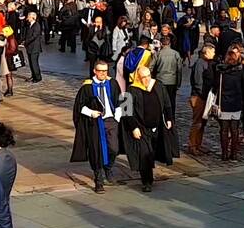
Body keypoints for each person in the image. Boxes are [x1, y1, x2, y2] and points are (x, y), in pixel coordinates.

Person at [122, 66, 177, 192]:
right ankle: (146, 181)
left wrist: (169, 118)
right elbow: (126, 111)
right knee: (144, 154)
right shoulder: (130, 89)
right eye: (143, 77)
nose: (146, 80)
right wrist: (134, 127)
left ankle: (149, 175)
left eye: (148, 76)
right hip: (141, 127)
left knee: (152, 153)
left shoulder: (158, 85)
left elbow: (167, 103)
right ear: (138, 77)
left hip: (157, 127)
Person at [71, 61, 122, 193]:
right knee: (96, 151)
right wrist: (91, 112)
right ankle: (98, 180)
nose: (103, 74)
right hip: (95, 123)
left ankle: (108, 168)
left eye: (105, 71)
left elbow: (120, 100)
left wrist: (117, 117)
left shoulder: (112, 83)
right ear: (94, 71)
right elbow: (79, 106)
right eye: (100, 71)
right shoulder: (87, 87)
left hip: (111, 121)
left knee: (114, 148)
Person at [212, 45, 244, 161]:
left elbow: (215, 87)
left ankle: (224, 153)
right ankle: (234, 153)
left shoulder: (220, 72)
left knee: (224, 130)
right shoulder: (239, 73)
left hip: (224, 103)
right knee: (234, 130)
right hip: (236, 103)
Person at [187, 43, 216, 156]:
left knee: (202, 122)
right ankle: (192, 145)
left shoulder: (208, 63)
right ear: (206, 52)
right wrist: (203, 95)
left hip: (205, 96)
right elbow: (198, 81)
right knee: (197, 122)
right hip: (199, 96)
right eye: (212, 51)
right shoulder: (200, 63)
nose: (214, 53)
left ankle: (198, 144)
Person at [151, 34, 182, 113]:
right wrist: (178, 83)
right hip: (172, 81)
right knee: (171, 101)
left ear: (161, 44)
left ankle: (162, 117)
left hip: (160, 80)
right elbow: (179, 70)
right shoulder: (176, 54)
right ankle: (171, 118)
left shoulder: (158, 54)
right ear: (170, 43)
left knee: (161, 101)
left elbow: (151, 67)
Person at [22, 11, 43, 83]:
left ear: (33, 18)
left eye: (29, 17)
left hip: (34, 47)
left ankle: (37, 77)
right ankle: (33, 75)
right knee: (31, 63)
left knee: (34, 63)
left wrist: (26, 41)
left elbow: (34, 36)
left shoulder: (37, 25)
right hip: (29, 47)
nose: (27, 18)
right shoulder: (29, 25)